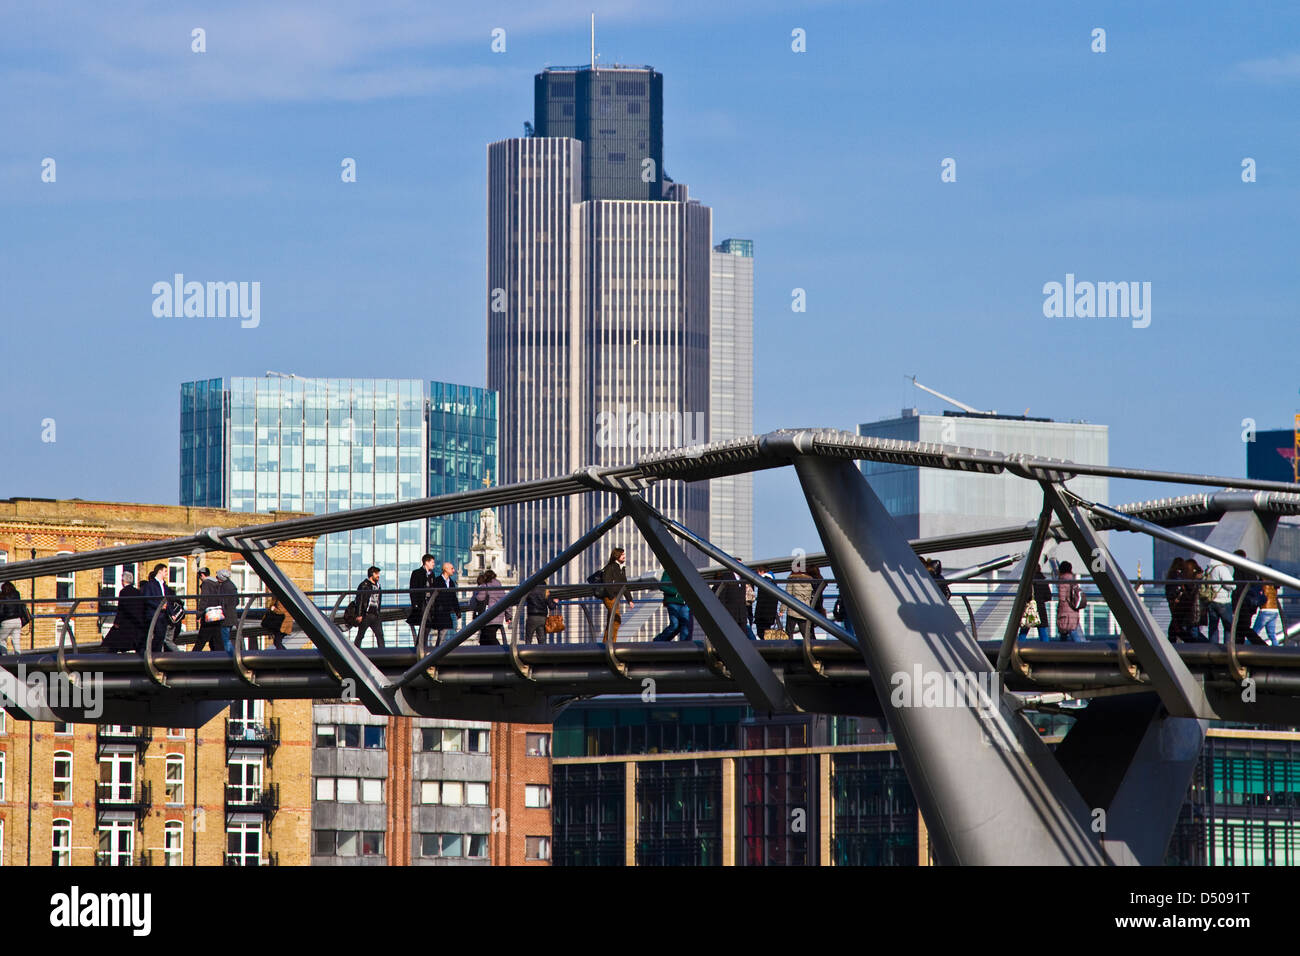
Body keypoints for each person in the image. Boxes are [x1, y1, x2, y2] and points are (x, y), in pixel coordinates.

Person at [103, 571, 147, 652]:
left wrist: (117, 622)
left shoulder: (123, 592)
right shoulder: (137, 592)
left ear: (123, 581)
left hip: (125, 622)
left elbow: (121, 608)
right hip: (135, 623)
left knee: (114, 642)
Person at [141, 564, 180, 653]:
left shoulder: (164, 586)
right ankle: (152, 654)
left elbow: (168, 600)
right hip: (154, 614)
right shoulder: (150, 585)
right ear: (159, 571)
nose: (167, 573)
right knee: (157, 635)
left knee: (161, 636)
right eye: (165, 571)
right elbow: (147, 599)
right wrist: (158, 606)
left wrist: (172, 613)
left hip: (163, 615)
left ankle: (156, 654)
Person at [1232, 550, 1268, 645]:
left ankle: (1260, 644)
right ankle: (1239, 647)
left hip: (1243, 602)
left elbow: (1239, 587)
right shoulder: (1249, 568)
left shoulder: (1240, 569)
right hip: (1250, 603)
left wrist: (1235, 602)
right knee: (1241, 626)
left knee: (1243, 627)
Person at [599, 548, 633, 641]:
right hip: (610, 598)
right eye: (622, 555)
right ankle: (611, 643)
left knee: (612, 621)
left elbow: (624, 585)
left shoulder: (621, 568)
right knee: (616, 620)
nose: (624, 556)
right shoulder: (610, 567)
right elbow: (607, 582)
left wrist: (629, 600)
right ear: (617, 556)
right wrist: (611, 596)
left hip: (615, 598)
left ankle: (606, 643)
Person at [406, 554, 437, 650]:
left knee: (427, 624)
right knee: (425, 623)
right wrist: (414, 603)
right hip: (421, 602)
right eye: (432, 562)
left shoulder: (432, 574)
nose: (434, 564)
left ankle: (420, 645)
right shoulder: (417, 573)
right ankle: (421, 646)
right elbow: (413, 589)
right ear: (426, 562)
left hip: (430, 603)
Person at [472, 569, 511, 646]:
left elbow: (479, 598)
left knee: (490, 638)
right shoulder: (499, 586)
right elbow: (507, 601)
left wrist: (476, 592)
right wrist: (508, 616)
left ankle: (503, 652)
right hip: (499, 617)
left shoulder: (485, 586)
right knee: (484, 639)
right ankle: (487, 655)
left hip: (488, 617)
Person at [653, 570, 693, 642]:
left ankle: (685, 646)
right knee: (674, 625)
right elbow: (662, 586)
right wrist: (676, 592)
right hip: (673, 602)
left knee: (685, 624)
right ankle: (658, 640)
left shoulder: (687, 572)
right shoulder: (668, 571)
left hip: (685, 603)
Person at [429, 562, 462, 648]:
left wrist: (457, 611)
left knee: (444, 631)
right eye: (452, 568)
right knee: (441, 630)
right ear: (446, 569)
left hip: (446, 611)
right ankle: (437, 649)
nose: (454, 570)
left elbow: (454, 597)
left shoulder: (451, 582)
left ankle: (438, 648)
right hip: (438, 610)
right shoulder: (437, 581)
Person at [1204, 556, 1234, 643]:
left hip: (1211, 600)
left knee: (1213, 626)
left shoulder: (1209, 569)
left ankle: (1213, 648)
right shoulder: (1222, 569)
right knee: (1228, 626)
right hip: (1223, 601)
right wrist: (1234, 586)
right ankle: (1227, 647)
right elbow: (1230, 585)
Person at [713, 570, 751, 639]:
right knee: (731, 636)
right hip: (730, 613)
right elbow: (722, 596)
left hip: (742, 615)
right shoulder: (726, 577)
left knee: (743, 637)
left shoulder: (744, 578)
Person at [193, 567, 225, 652]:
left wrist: (199, 614)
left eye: (199, 577)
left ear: (202, 575)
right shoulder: (217, 583)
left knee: (201, 639)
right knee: (217, 640)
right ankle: (220, 658)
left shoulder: (206, 583)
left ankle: (192, 657)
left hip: (209, 615)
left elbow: (204, 599)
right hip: (218, 615)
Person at [1055, 560, 1086, 642]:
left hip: (1065, 610)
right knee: (1071, 630)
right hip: (1073, 609)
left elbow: (1062, 598)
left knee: (1067, 631)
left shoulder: (1062, 581)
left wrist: (1059, 610)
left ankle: (1077, 650)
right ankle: (1078, 649)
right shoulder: (1073, 580)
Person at [354, 566, 384, 649]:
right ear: (372, 574)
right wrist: (359, 614)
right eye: (376, 573)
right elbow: (359, 600)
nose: (378, 575)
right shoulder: (364, 585)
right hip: (366, 614)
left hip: (375, 614)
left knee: (380, 635)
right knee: (361, 634)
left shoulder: (378, 586)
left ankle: (383, 653)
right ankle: (355, 650)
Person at [1254, 569, 1282, 646]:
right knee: (1272, 634)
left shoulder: (1263, 581)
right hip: (1274, 610)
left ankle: (1249, 648)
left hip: (1265, 609)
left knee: (1254, 632)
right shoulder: (1274, 582)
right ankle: (1277, 650)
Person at [785, 567, 815, 640]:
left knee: (789, 632)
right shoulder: (809, 582)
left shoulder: (791, 581)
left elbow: (786, 596)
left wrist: (782, 610)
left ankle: (789, 649)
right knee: (805, 633)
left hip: (793, 609)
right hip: (804, 609)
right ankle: (810, 648)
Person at [753, 567, 781, 638]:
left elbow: (762, 600)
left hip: (762, 614)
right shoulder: (773, 581)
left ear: (761, 571)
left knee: (761, 633)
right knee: (766, 633)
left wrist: (757, 615)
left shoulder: (763, 581)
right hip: (770, 614)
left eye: (758, 572)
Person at [0, 582, 28, 654]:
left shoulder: (3, 596)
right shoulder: (17, 594)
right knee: (16, 642)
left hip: (7, 621)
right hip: (18, 620)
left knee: (1, 639)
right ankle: (20, 662)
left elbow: (1, 611)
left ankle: (4, 659)